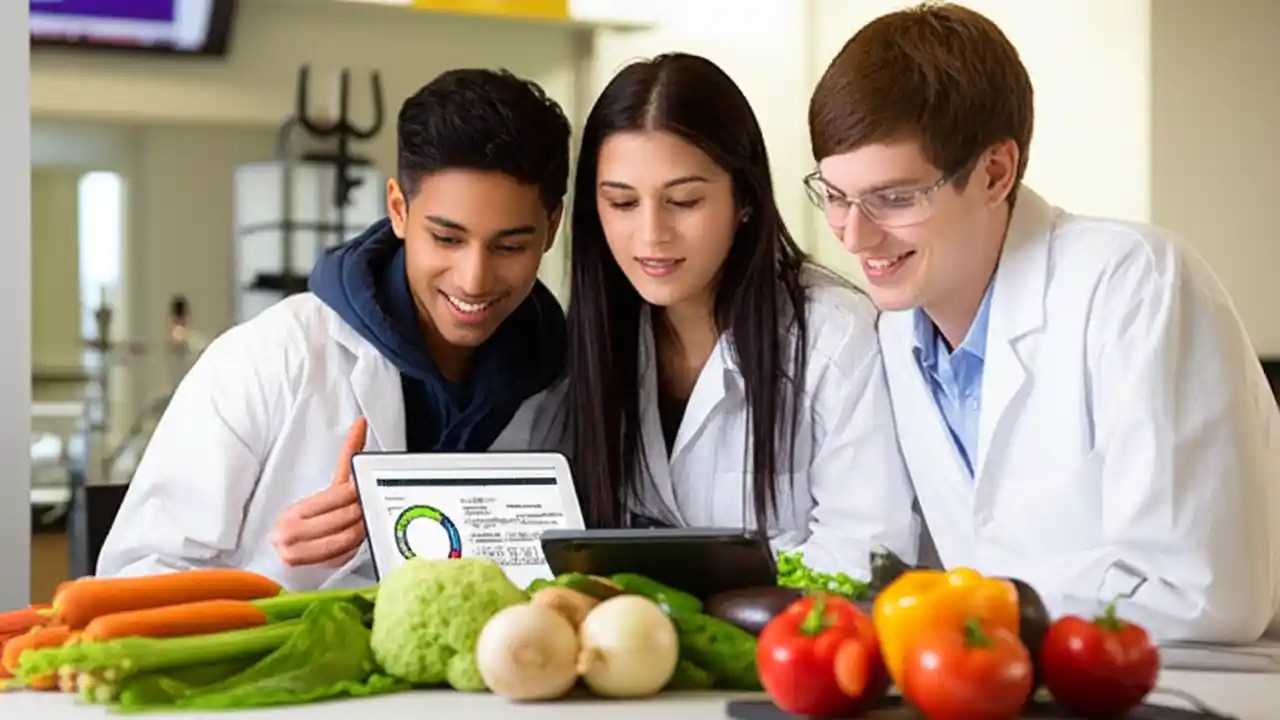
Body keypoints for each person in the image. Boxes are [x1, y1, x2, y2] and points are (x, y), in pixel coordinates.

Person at [806, 2, 1280, 641]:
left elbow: (1200, 591)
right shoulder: (897, 331)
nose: (855, 236)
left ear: (994, 172)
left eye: (895, 198)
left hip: (1183, 687)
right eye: (836, 197)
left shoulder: (1134, 282)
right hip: (1006, 683)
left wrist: (960, 608)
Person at [96, 68, 572, 591]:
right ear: (398, 210)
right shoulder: (275, 355)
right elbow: (130, 577)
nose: (474, 279)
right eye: (446, 239)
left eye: (509, 247)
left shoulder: (562, 383)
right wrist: (270, 569)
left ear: (551, 227)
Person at [513, 53, 920, 581]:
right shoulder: (597, 337)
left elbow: (867, 554)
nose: (651, 234)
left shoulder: (833, 339)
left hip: (791, 653)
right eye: (622, 203)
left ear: (744, 199)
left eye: (683, 201)